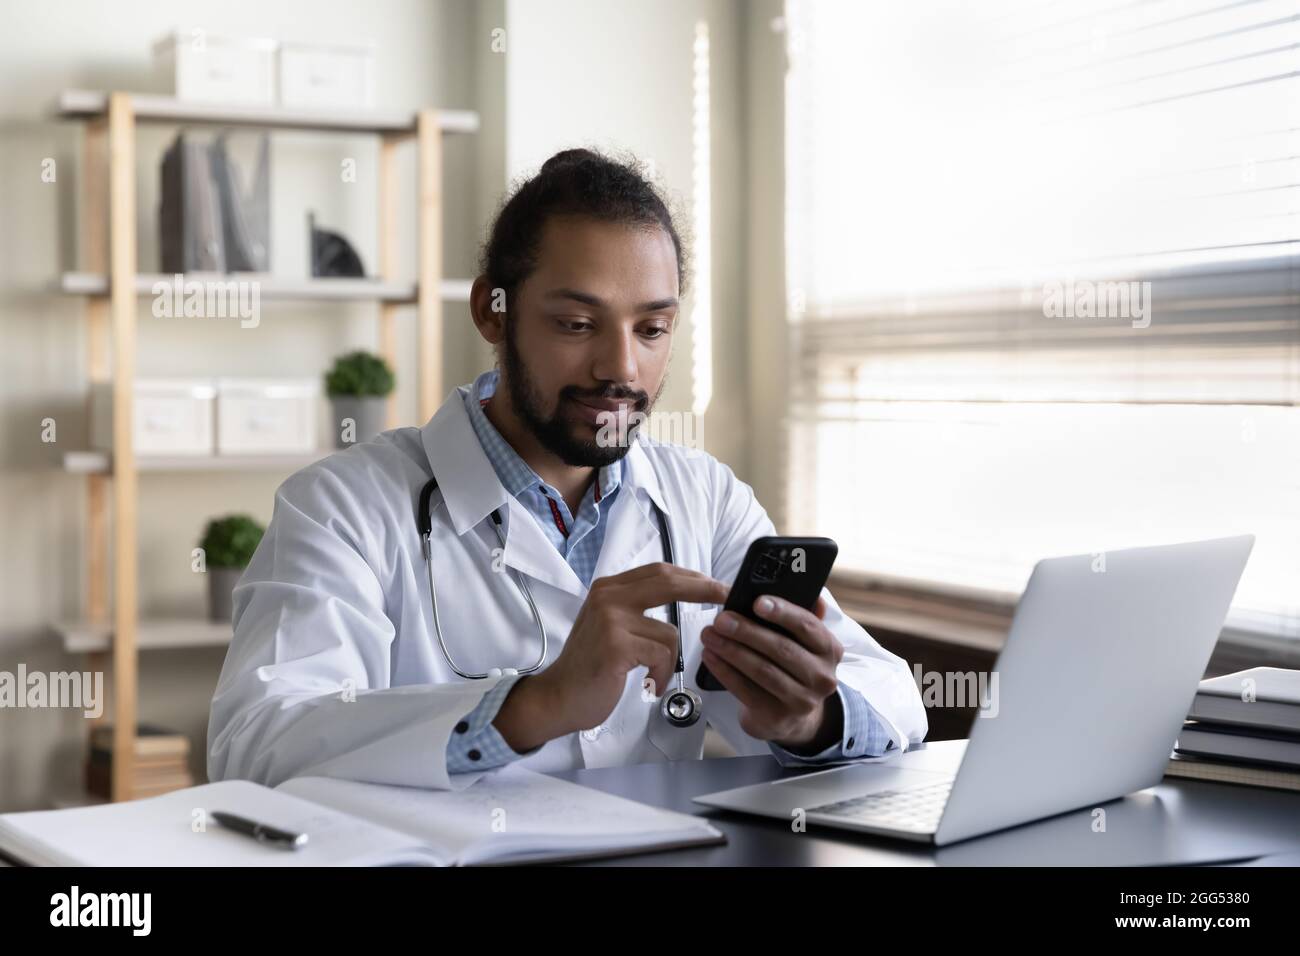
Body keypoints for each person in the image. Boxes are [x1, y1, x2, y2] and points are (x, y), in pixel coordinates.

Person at [207, 148, 927, 790]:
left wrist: (807, 718)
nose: (620, 367)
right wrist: (533, 705)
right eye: (577, 325)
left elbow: (893, 694)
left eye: (651, 329)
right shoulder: (341, 507)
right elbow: (257, 742)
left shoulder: (705, 499)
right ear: (492, 312)